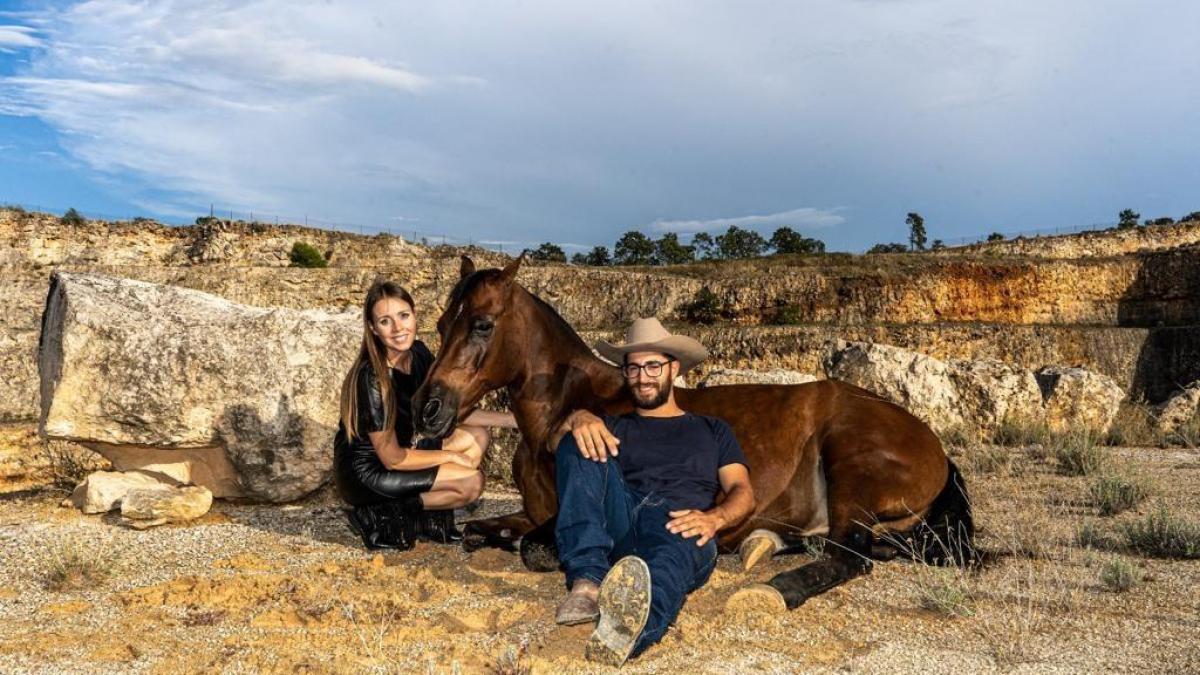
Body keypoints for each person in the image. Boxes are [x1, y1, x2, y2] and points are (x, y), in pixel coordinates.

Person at [553, 317, 756, 666]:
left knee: (669, 562)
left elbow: (742, 490)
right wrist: (577, 418)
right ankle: (587, 581)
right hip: (623, 515)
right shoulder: (611, 425)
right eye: (633, 368)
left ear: (673, 368)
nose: (643, 377)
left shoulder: (712, 429)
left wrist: (715, 518)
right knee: (579, 440)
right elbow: (553, 444)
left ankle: (625, 634)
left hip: (680, 521)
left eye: (652, 366)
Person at [334, 280, 518, 550]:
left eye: (403, 316)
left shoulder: (419, 353)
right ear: (373, 328)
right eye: (385, 321)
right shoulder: (373, 378)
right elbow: (392, 458)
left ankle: (428, 521)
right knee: (471, 483)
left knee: (477, 436)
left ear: (414, 315)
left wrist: (515, 420)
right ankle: (380, 513)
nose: (398, 328)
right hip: (368, 472)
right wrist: (450, 457)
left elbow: (452, 412)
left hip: (404, 450)